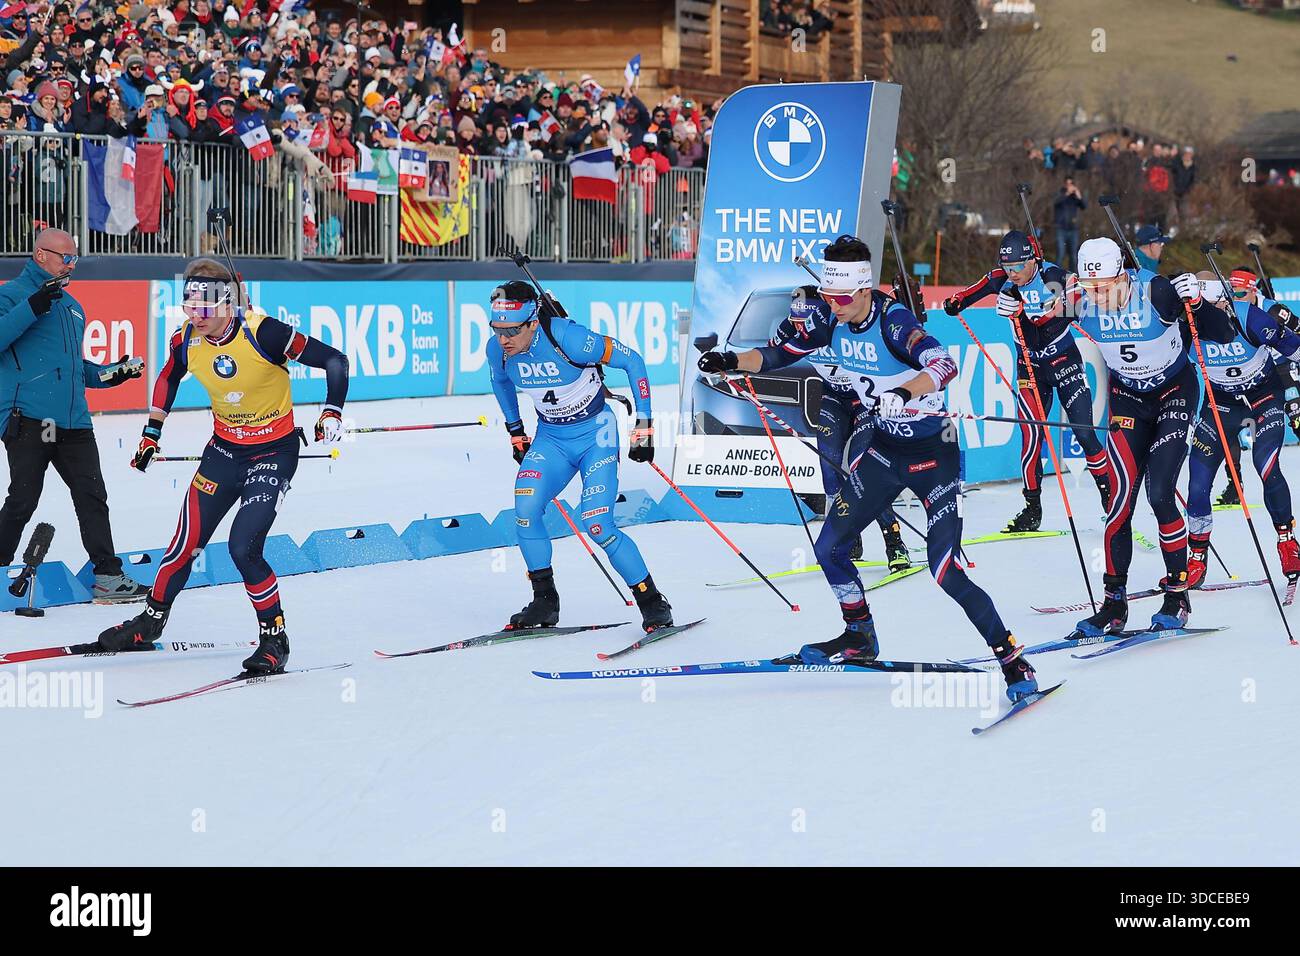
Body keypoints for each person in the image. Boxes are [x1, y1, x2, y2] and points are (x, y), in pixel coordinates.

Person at [698, 235, 1038, 703]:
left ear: (862, 291)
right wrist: (732, 360)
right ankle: (859, 635)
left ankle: (1011, 657)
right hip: (881, 451)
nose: (831, 306)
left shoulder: (894, 322)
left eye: (839, 298)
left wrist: (902, 393)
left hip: (933, 456)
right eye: (827, 296)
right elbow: (776, 355)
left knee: (945, 570)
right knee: (831, 548)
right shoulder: (828, 317)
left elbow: (943, 364)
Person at [97, 258, 349, 674]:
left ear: (227, 303)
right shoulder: (186, 339)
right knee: (183, 545)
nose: (195, 315)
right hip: (224, 452)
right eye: (188, 305)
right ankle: (151, 622)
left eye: (204, 306)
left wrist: (332, 412)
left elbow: (335, 361)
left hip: (273, 453)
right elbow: (168, 376)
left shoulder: (263, 330)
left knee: (243, 548)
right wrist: (151, 433)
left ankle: (274, 639)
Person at [1069, 237, 1236, 637]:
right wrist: (1015, 306)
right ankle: (1113, 604)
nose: (1099, 297)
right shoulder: (1078, 300)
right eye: (1091, 289)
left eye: (1106, 287)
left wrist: (1197, 302)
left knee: (1160, 493)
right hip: (1128, 399)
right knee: (1118, 500)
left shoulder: (1157, 292)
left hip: (1174, 393)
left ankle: (1177, 595)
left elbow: (1222, 334)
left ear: (1123, 274)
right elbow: (1036, 318)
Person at [486, 280, 673, 633]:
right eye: (497, 330)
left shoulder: (569, 338)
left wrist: (644, 425)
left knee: (597, 523)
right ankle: (545, 600)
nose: (504, 339)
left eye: (512, 330)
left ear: (532, 322)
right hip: (551, 438)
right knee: (525, 511)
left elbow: (633, 361)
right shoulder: (498, 350)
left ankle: (651, 601)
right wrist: (515, 430)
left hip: (595, 436)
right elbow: (500, 382)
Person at [0, 228, 147, 602]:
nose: (72, 264)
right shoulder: (11, 295)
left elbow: (77, 368)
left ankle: (108, 577)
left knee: (92, 495)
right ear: (40, 256)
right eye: (66, 257)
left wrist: (116, 372)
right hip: (32, 417)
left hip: (74, 421)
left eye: (75, 258)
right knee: (24, 497)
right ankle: (0, 571)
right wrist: (33, 305)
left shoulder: (72, 306)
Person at [942, 230, 1110, 530]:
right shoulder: (1001, 279)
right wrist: (953, 303)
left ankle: (1111, 500)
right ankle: (1032, 509)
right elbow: (966, 295)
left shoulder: (1056, 277)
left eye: (1019, 267)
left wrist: (1022, 314)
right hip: (1029, 368)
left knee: (1084, 434)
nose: (1013, 274)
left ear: (1033, 260)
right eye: (1008, 268)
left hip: (1064, 363)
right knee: (1031, 437)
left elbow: (1064, 317)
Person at [763, 285, 911, 570]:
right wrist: (735, 366)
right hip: (833, 398)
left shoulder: (843, 326)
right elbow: (769, 355)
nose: (799, 327)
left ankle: (894, 543)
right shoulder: (790, 326)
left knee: (862, 471)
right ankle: (849, 536)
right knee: (829, 472)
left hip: (866, 402)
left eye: (804, 322)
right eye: (794, 320)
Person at [1183, 267, 1300, 588]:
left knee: (1266, 465)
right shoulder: (1185, 327)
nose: (1205, 317)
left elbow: (1295, 347)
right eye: (1196, 309)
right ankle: (1196, 555)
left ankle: (1287, 540)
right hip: (1222, 402)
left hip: (1263, 395)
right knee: (1198, 480)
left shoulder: (1248, 316)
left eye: (1211, 308)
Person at [1053, 177, 1085, 268]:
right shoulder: (1060, 193)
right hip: (1061, 228)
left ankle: (1073, 276)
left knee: (1073, 255)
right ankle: (1057, 274)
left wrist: (1079, 196)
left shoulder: (1075, 197)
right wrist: (1067, 193)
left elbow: (1083, 206)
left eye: (1071, 184)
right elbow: (1056, 202)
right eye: (1067, 184)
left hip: (1073, 229)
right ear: (1064, 184)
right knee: (1060, 254)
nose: (1069, 186)